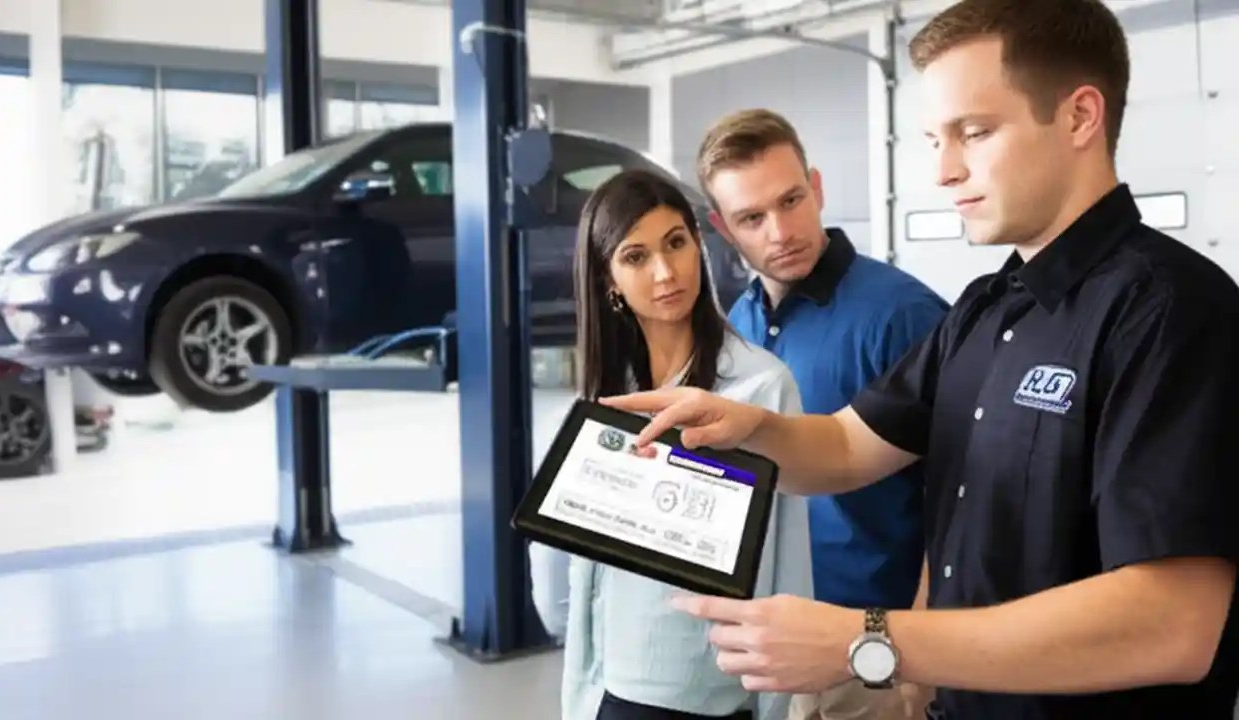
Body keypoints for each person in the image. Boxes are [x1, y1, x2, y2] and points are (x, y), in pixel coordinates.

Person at [601, 1, 1239, 718]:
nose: (943, 169)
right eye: (936, 138)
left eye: (975, 132)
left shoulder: (1170, 312)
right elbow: (846, 445)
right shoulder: (985, 309)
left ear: (1080, 117)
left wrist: (869, 639)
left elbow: (1174, 625)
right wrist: (739, 425)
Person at [528, 168, 815, 720]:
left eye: (676, 244)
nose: (665, 272)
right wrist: (567, 633)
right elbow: (560, 542)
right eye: (636, 257)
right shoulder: (603, 393)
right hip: (605, 687)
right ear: (608, 278)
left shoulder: (759, 387)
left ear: (698, 246)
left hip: (709, 694)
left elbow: (787, 562)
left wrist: (775, 704)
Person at [696, 108, 950, 719]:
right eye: (752, 218)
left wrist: (920, 659)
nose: (780, 231)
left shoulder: (905, 316)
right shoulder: (742, 320)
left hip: (872, 646)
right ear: (722, 229)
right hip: (775, 638)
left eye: (791, 200)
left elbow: (958, 498)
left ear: (816, 187)